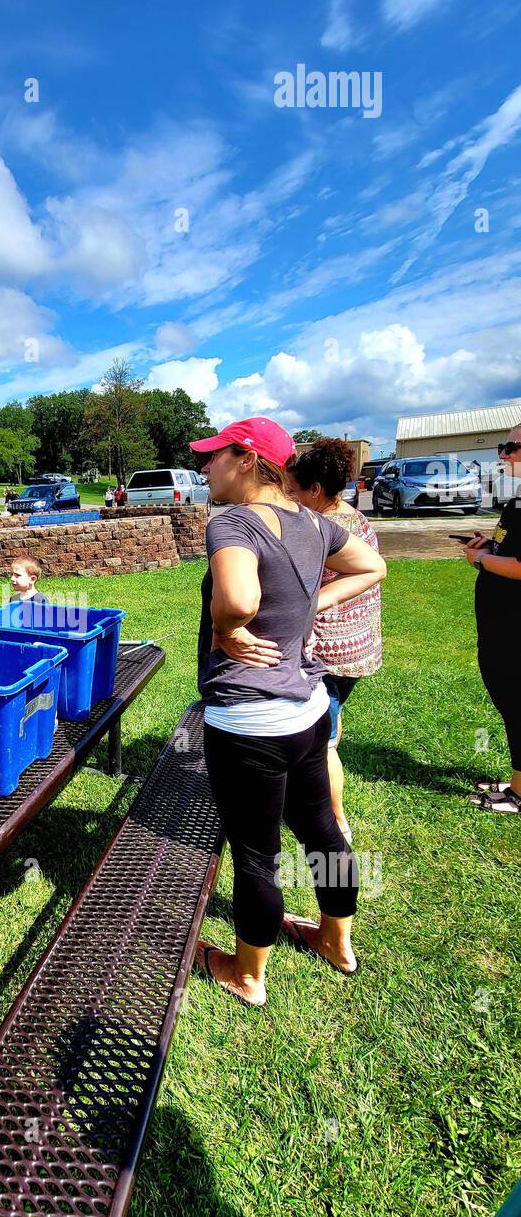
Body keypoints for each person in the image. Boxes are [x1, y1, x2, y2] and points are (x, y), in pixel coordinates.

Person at [188, 417, 386, 1008]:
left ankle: (248, 975)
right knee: (323, 830)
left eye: (212, 456)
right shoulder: (315, 522)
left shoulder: (232, 521)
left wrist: (229, 625)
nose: (204, 468)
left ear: (246, 459)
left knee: (256, 854)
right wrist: (307, 606)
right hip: (308, 710)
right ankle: (335, 941)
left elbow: (240, 598)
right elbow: (372, 567)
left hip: (250, 722)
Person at [287, 438, 383, 840]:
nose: (289, 497)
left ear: (315, 490)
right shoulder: (354, 517)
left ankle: (334, 823)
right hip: (358, 650)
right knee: (330, 725)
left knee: (321, 743)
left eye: (293, 490)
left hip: (329, 653)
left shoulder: (323, 528)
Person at [464, 423, 521, 814]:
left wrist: (482, 559)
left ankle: (518, 795)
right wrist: (491, 545)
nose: (502, 454)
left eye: (511, 447)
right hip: (502, 624)